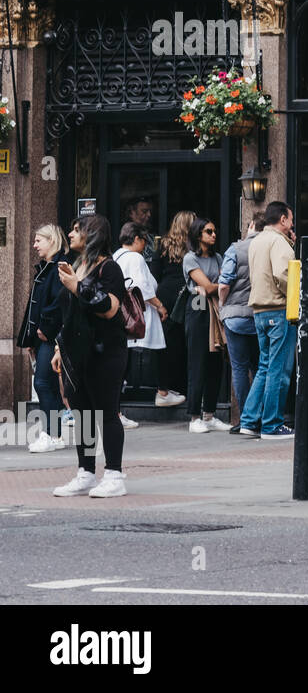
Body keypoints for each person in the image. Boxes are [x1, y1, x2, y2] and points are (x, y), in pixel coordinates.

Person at [50, 215, 130, 498]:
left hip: (106, 350)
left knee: (107, 412)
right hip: (77, 352)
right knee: (82, 414)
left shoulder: (110, 268)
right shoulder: (77, 266)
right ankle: (85, 472)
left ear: (92, 234)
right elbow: (69, 315)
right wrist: (60, 347)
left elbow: (109, 308)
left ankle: (114, 474)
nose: (70, 234)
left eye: (76, 229)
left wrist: (76, 287)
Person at [240, 201, 297, 439]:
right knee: (277, 370)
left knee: (264, 367)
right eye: (290, 219)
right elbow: (284, 274)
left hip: (260, 311)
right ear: (283, 219)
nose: (292, 223)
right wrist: (296, 296)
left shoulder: (257, 240)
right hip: (278, 309)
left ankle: (249, 420)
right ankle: (272, 424)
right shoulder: (278, 242)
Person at [22, 225, 71, 453]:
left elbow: (60, 301)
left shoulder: (59, 266)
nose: (34, 245)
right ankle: (54, 434)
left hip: (53, 336)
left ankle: (51, 434)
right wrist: (32, 337)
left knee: (41, 383)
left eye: (38, 240)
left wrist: (45, 328)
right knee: (47, 384)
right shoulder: (45, 267)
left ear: (51, 241)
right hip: (44, 336)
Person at [113, 223, 169, 418]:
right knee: (150, 353)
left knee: (123, 360)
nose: (145, 246)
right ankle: (162, 391)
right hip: (138, 315)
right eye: (144, 241)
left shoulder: (116, 257)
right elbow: (142, 286)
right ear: (136, 239)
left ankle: (116, 411)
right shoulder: (135, 258)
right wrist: (160, 305)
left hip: (120, 315)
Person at [218, 211, 265, 433]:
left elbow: (224, 283)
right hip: (260, 317)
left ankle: (245, 418)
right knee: (260, 368)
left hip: (235, 316)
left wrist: (222, 305)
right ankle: (258, 416)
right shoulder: (269, 248)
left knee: (239, 368)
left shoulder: (236, 249)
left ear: (251, 225)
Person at [182, 216, 228, 434]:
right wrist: (217, 286)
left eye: (214, 231)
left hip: (216, 311)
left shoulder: (218, 257)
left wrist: (215, 287)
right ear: (198, 234)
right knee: (197, 362)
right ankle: (193, 417)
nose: (213, 235)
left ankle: (209, 414)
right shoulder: (190, 259)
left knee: (215, 362)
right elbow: (209, 287)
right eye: (209, 231)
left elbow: (218, 286)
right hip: (198, 308)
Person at [151, 210, 195, 405]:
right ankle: (176, 388)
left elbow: (154, 275)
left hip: (165, 296)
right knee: (183, 344)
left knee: (165, 343)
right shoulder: (194, 247)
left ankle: (164, 388)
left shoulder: (162, 246)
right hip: (185, 296)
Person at [124, 197, 157, 261]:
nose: (149, 215)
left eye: (150, 211)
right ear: (131, 212)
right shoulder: (124, 237)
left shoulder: (152, 237)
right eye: (144, 211)